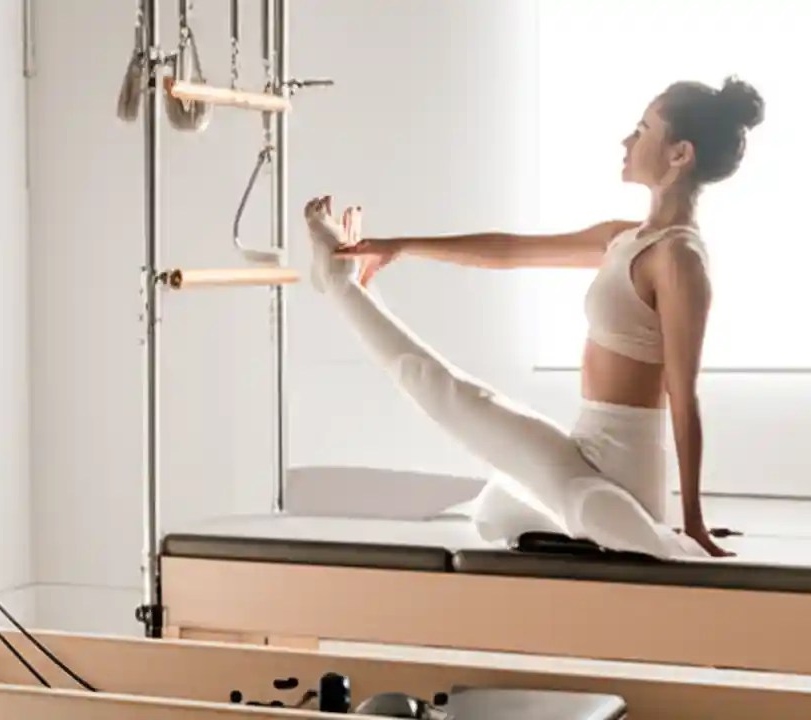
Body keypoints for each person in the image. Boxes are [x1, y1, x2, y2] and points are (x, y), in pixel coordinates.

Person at [303, 76, 765, 559]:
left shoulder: (679, 259)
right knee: (494, 497)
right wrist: (401, 246)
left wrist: (691, 523)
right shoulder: (625, 238)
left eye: (642, 129)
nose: (626, 141)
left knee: (456, 396)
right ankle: (343, 284)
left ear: (679, 154)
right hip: (584, 449)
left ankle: (341, 287)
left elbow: (683, 394)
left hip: (620, 478)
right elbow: (510, 251)